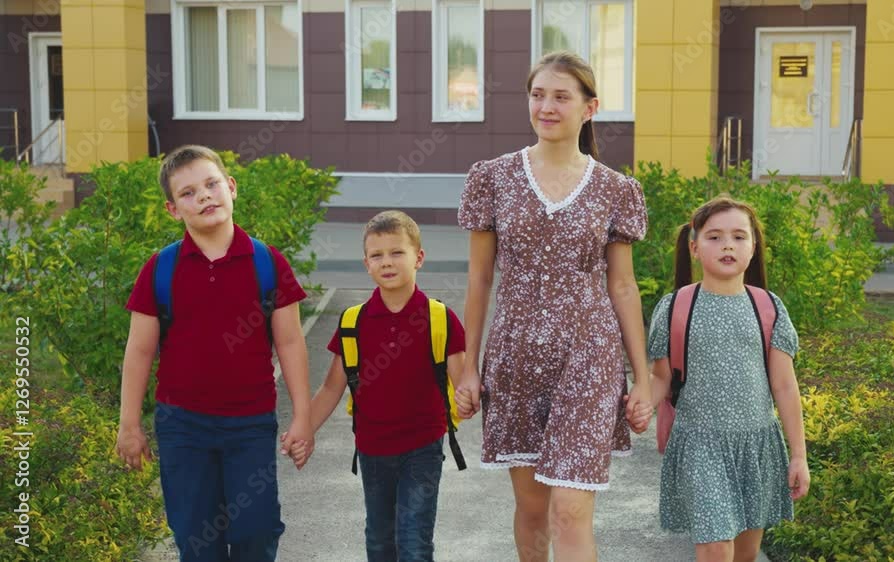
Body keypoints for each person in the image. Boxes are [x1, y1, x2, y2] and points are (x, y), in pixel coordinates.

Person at [454, 51, 653, 562]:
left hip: (590, 355)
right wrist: (467, 368)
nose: (547, 106)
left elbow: (624, 286)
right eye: (538, 94)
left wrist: (643, 379)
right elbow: (478, 279)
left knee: (570, 506)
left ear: (589, 108)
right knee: (533, 507)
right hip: (515, 357)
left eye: (561, 96)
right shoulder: (492, 177)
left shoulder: (616, 189)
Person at [115, 145, 314, 561]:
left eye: (211, 184)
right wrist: (129, 424)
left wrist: (302, 417)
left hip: (250, 426)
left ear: (231, 187)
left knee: (256, 532)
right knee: (197, 540)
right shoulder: (161, 268)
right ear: (173, 209)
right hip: (182, 428)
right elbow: (138, 351)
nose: (204, 196)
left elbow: (291, 342)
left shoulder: (267, 262)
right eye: (188, 193)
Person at [286, 210, 467, 562]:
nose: (387, 262)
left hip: (423, 448)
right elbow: (330, 389)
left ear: (419, 258)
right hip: (372, 450)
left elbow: (463, 386)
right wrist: (303, 429)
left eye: (397, 252)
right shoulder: (354, 323)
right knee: (380, 542)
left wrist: (472, 400)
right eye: (377, 255)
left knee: (415, 543)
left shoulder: (440, 319)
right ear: (366, 264)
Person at [646, 196, 810, 562]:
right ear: (694, 247)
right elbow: (660, 377)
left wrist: (798, 455)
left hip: (756, 446)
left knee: (745, 555)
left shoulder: (769, 308)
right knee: (717, 547)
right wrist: (642, 403)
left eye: (739, 237)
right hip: (699, 444)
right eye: (715, 237)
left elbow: (784, 386)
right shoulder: (674, 307)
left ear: (753, 247)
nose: (728, 246)